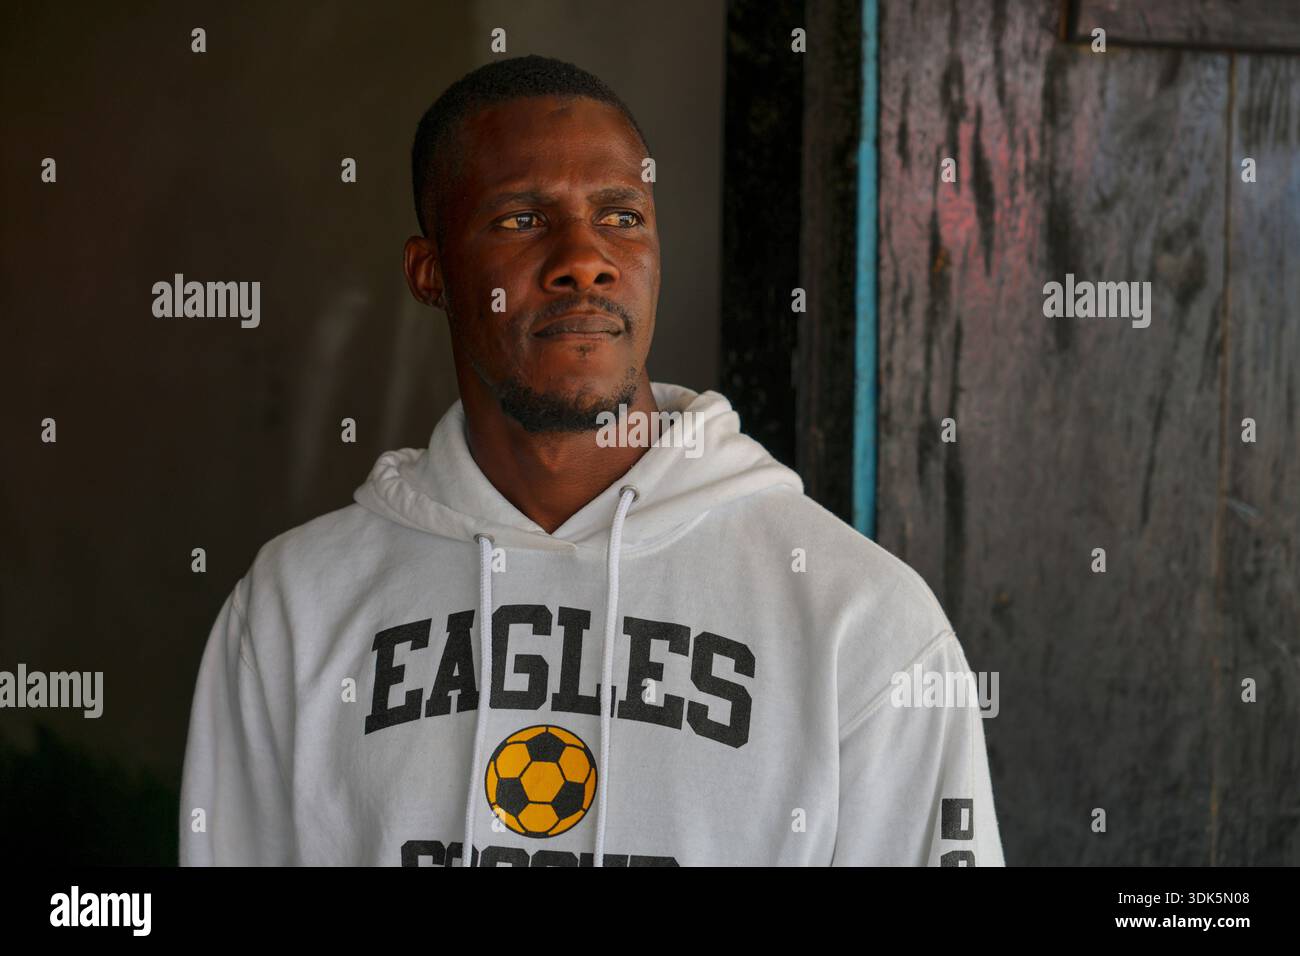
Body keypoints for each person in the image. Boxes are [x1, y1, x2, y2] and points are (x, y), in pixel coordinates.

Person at [179, 54, 1005, 867]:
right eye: (521, 219)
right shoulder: (295, 610)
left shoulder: (859, 621)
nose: (585, 258)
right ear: (430, 272)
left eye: (621, 216)